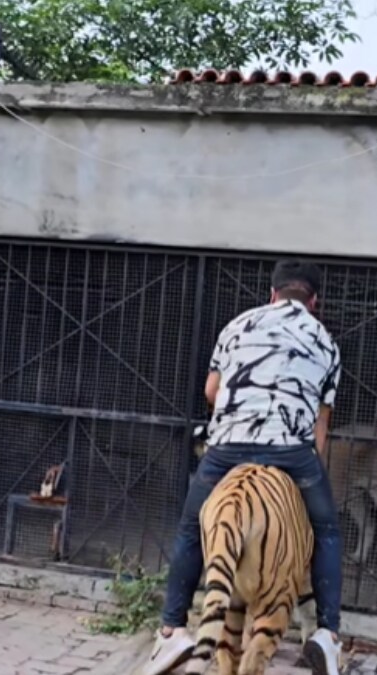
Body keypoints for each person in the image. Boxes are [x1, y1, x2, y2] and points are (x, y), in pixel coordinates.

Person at [143, 259, 344, 675]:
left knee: (190, 527)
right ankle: (328, 633)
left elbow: (211, 390)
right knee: (326, 531)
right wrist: (311, 468)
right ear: (314, 301)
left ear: (272, 294)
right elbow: (320, 423)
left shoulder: (236, 326)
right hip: (290, 449)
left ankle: (172, 630)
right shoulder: (325, 341)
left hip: (228, 446)